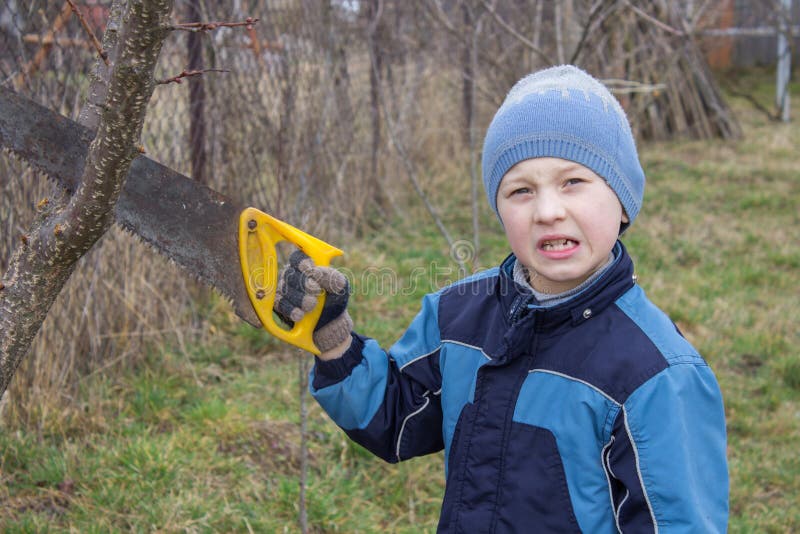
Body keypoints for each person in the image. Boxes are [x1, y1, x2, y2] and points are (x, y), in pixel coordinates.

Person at [274, 65, 729, 533]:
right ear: (499, 209)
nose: (549, 211)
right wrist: (333, 342)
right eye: (521, 190)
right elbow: (397, 420)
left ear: (622, 198)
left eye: (573, 182)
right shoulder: (456, 316)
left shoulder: (656, 375)